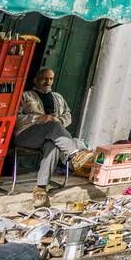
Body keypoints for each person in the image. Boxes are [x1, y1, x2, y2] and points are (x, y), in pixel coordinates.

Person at [14, 68, 94, 208]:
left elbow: (68, 115)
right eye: (44, 78)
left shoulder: (58, 97)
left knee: (54, 146)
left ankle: (40, 188)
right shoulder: (25, 96)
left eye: (50, 79)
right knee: (52, 125)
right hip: (26, 135)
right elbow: (15, 118)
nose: (47, 82)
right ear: (36, 80)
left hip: (51, 136)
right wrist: (38, 118)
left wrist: (60, 121)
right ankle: (75, 154)